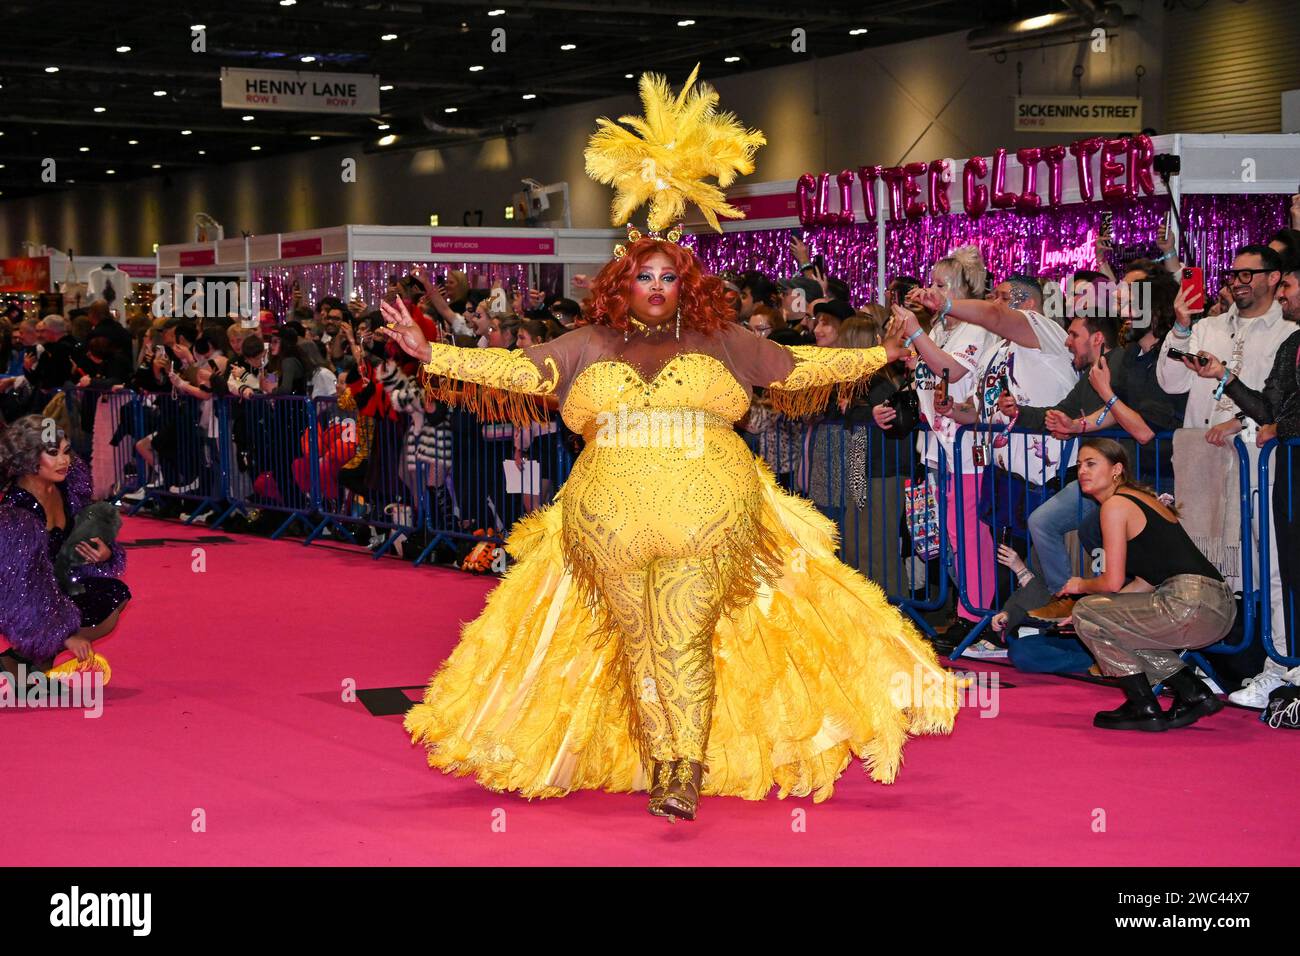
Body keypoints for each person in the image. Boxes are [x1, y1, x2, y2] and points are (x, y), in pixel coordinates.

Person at [380, 67, 959, 823]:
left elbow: (798, 367)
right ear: (622, 283)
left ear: (687, 285)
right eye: (643, 275)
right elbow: (516, 369)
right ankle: (663, 756)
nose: (656, 286)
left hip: (707, 516)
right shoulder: (589, 341)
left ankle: (679, 769)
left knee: (680, 636)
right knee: (638, 645)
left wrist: (879, 357)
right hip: (606, 526)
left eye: (668, 276)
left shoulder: (721, 340)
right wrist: (433, 356)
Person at [1158, 244, 1295, 708]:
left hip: (1260, 463)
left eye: (1248, 274)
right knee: (1203, 565)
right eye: (1233, 273)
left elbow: (1276, 404)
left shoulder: (1288, 333)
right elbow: (1171, 382)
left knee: (1271, 569)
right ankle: (1209, 663)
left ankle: (1279, 668)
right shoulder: (1209, 327)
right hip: (1203, 463)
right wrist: (1179, 327)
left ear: (1274, 278)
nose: (1238, 280)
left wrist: (1236, 422)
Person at [1062, 439, 1235, 731]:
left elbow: (1112, 582)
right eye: (1079, 465)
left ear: (1117, 469)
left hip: (1190, 602)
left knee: (1090, 612)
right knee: (1103, 621)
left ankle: (1142, 704)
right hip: (1215, 605)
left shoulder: (1116, 505)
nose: (1082, 471)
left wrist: (1080, 587)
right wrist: (1097, 615)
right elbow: (1142, 583)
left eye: (1091, 463)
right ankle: (1193, 692)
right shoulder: (1137, 499)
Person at [877, 245, 998, 635]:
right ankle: (966, 608)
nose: (930, 291)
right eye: (930, 282)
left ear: (962, 289)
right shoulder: (941, 328)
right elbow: (928, 378)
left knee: (967, 531)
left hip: (967, 447)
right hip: (937, 447)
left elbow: (954, 371)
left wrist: (916, 334)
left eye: (940, 284)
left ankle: (977, 614)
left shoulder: (975, 326)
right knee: (948, 533)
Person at [0, 416, 129, 684]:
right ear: (28, 458)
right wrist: (65, 634)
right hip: (17, 596)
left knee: (110, 599)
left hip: (51, 585)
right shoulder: (16, 515)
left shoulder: (68, 487)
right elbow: (22, 591)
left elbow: (81, 539)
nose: (64, 460)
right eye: (53, 453)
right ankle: (17, 666)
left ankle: (26, 666)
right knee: (69, 618)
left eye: (66, 450)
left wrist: (103, 552)